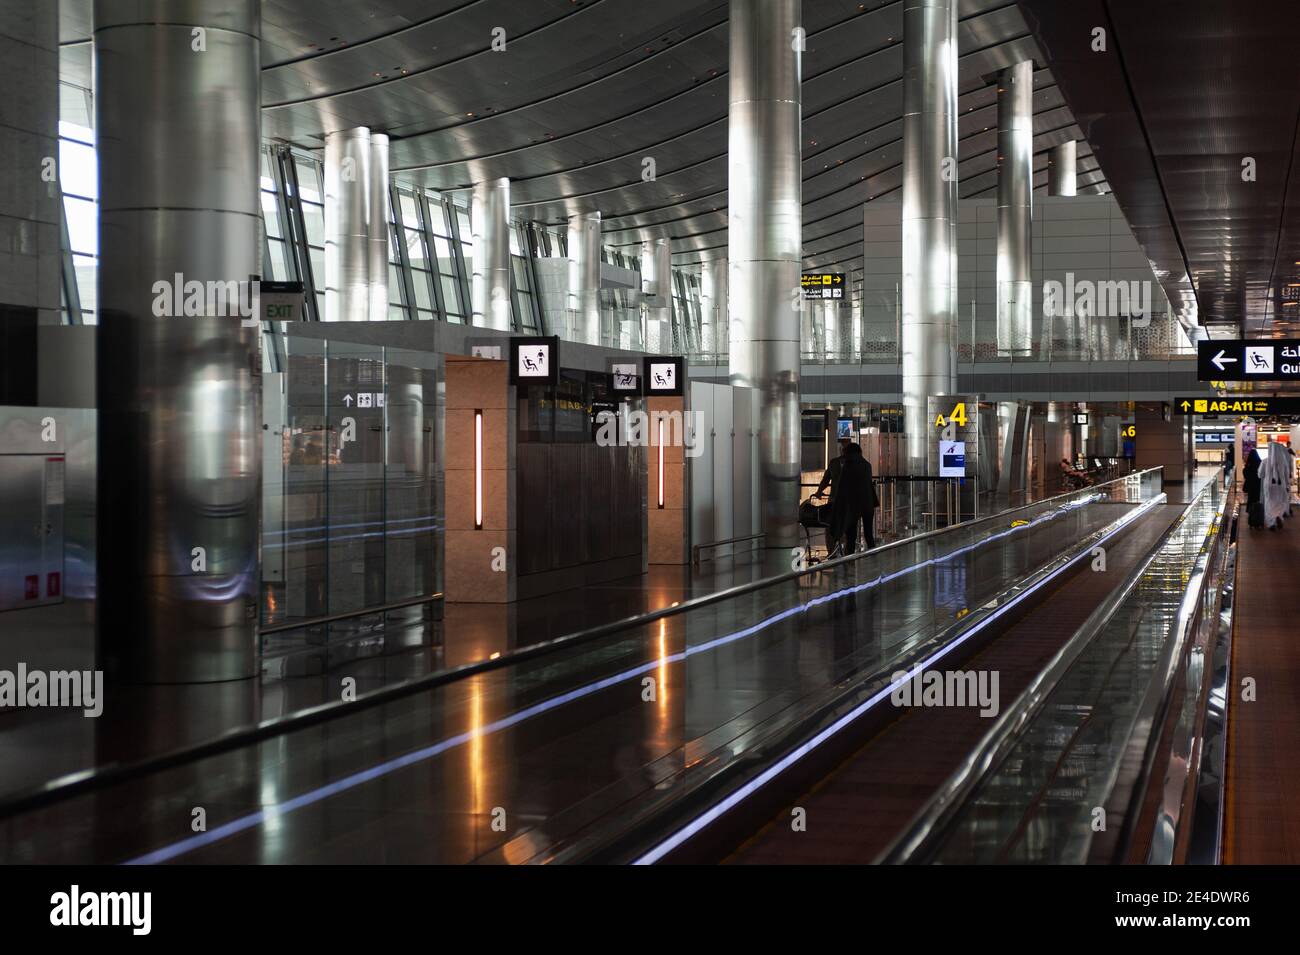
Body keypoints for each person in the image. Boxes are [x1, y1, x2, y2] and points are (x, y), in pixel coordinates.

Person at [833, 443, 879, 554]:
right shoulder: (867, 465)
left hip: (852, 504)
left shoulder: (848, 466)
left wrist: (838, 503)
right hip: (867, 503)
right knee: (869, 534)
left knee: (851, 535)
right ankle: (874, 557)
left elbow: (842, 486)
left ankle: (850, 559)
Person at [814, 438, 851, 552]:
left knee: (830, 524)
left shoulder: (834, 463)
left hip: (834, 500)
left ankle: (832, 548)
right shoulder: (854, 463)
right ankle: (844, 547)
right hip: (846, 501)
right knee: (845, 524)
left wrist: (819, 492)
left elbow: (825, 480)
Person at [1262, 440, 1292, 530]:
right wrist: (1287, 485)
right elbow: (1287, 475)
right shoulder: (1283, 462)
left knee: (1269, 503)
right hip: (1281, 485)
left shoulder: (1265, 461)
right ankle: (1278, 516)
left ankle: (1272, 522)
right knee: (1279, 503)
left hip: (1269, 485)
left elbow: (1260, 474)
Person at [1244, 445, 1264, 528]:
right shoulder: (1260, 464)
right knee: (1258, 502)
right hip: (1259, 487)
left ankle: (1251, 521)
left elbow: (1245, 474)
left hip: (1251, 487)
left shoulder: (1248, 465)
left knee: (1251, 502)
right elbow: (1262, 474)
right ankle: (1258, 521)